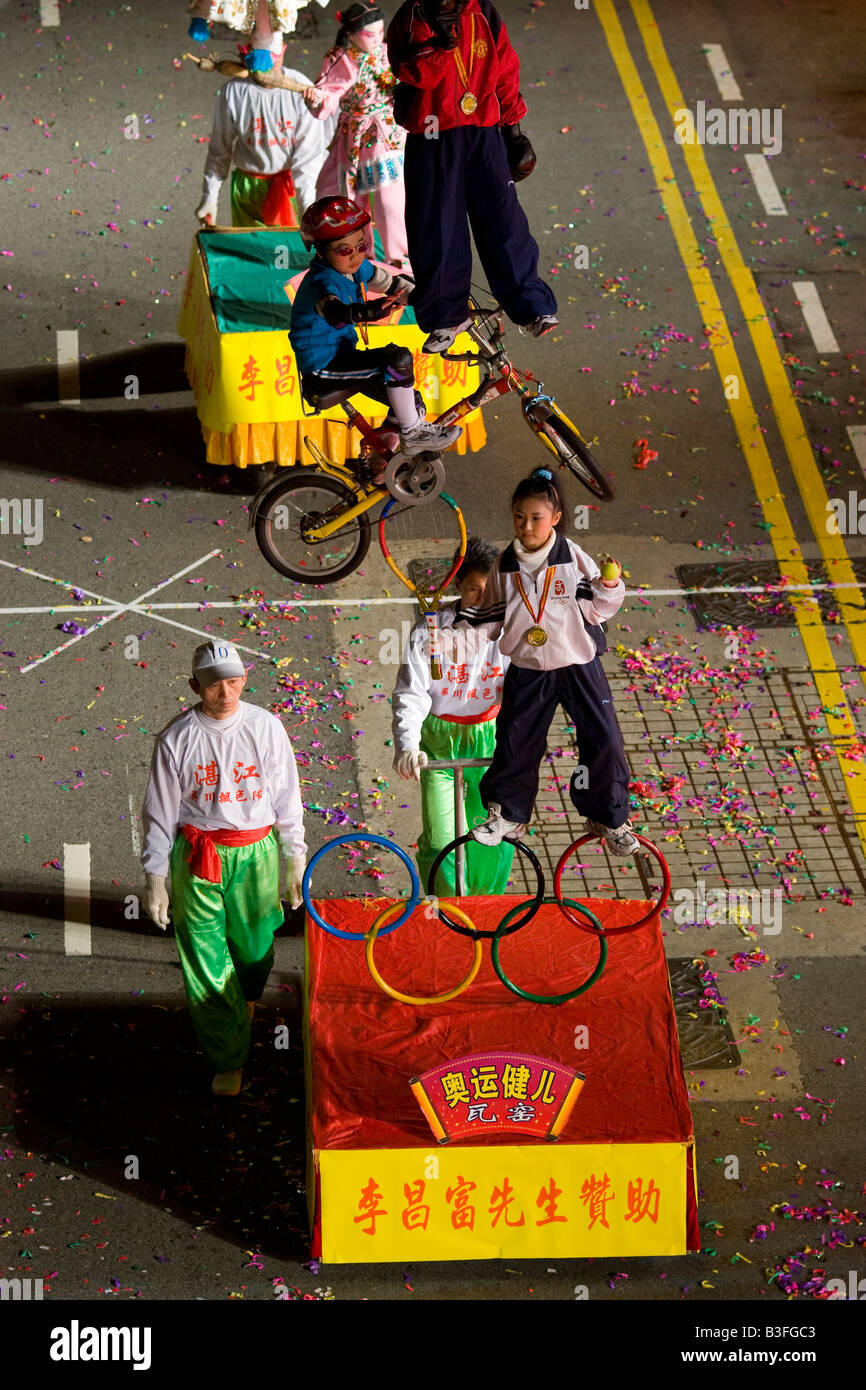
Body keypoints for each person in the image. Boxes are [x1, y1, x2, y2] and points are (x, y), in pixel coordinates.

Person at [141, 640, 307, 1097]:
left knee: (254, 951)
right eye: (214, 684)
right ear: (196, 686)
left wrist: (296, 859)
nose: (226, 692)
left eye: (233, 681)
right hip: (198, 857)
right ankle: (227, 1057)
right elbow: (159, 813)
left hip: (257, 852)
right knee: (206, 961)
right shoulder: (176, 738)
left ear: (244, 680)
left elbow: (286, 798)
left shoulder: (266, 727)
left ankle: (247, 996)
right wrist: (156, 879)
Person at [458, 468, 639, 853]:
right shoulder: (504, 565)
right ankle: (507, 816)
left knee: (603, 738)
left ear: (555, 517)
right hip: (528, 668)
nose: (527, 527)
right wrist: (453, 633)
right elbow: (489, 617)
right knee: (516, 742)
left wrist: (609, 585)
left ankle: (608, 816)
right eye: (519, 518)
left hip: (577, 664)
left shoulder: (572, 557)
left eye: (536, 518)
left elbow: (599, 609)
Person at [386, 0, 558, 353]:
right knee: (437, 228)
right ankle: (446, 316)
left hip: (483, 133)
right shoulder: (416, 15)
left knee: (504, 220)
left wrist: (513, 130)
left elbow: (505, 69)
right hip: (433, 136)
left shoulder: (483, 12)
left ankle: (530, 305)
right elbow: (417, 74)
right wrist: (441, 46)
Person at [290, 194, 462, 458]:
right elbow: (336, 313)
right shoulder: (321, 282)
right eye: (344, 250)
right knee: (396, 360)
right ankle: (412, 435)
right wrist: (371, 310)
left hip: (343, 356)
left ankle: (384, 464)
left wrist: (434, 299)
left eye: (362, 245)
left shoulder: (353, 268)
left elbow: (392, 285)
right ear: (321, 251)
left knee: (410, 402)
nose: (356, 255)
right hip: (322, 368)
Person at [392, 537, 514, 895]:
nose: (484, 600)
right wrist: (407, 745)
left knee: (493, 832)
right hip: (439, 741)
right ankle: (445, 907)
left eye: (491, 591)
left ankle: (486, 907)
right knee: (440, 838)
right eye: (475, 590)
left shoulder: (511, 631)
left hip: (489, 740)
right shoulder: (430, 633)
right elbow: (410, 693)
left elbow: (527, 692)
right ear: (458, 585)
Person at [304, 2, 409, 270]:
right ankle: (361, 258)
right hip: (353, 134)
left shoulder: (387, 52)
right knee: (350, 198)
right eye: (369, 34)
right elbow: (328, 93)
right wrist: (317, 99)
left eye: (380, 32)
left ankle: (400, 259)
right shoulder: (339, 58)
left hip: (386, 133)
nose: (377, 38)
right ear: (351, 33)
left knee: (390, 200)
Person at [195, 40, 330, 228]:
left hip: (290, 188)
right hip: (248, 189)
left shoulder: (304, 91)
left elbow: (309, 156)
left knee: (289, 252)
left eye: (274, 55)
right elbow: (220, 150)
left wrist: (307, 204)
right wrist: (210, 197)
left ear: (284, 49)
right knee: (252, 254)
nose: (269, 63)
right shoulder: (234, 92)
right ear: (245, 55)